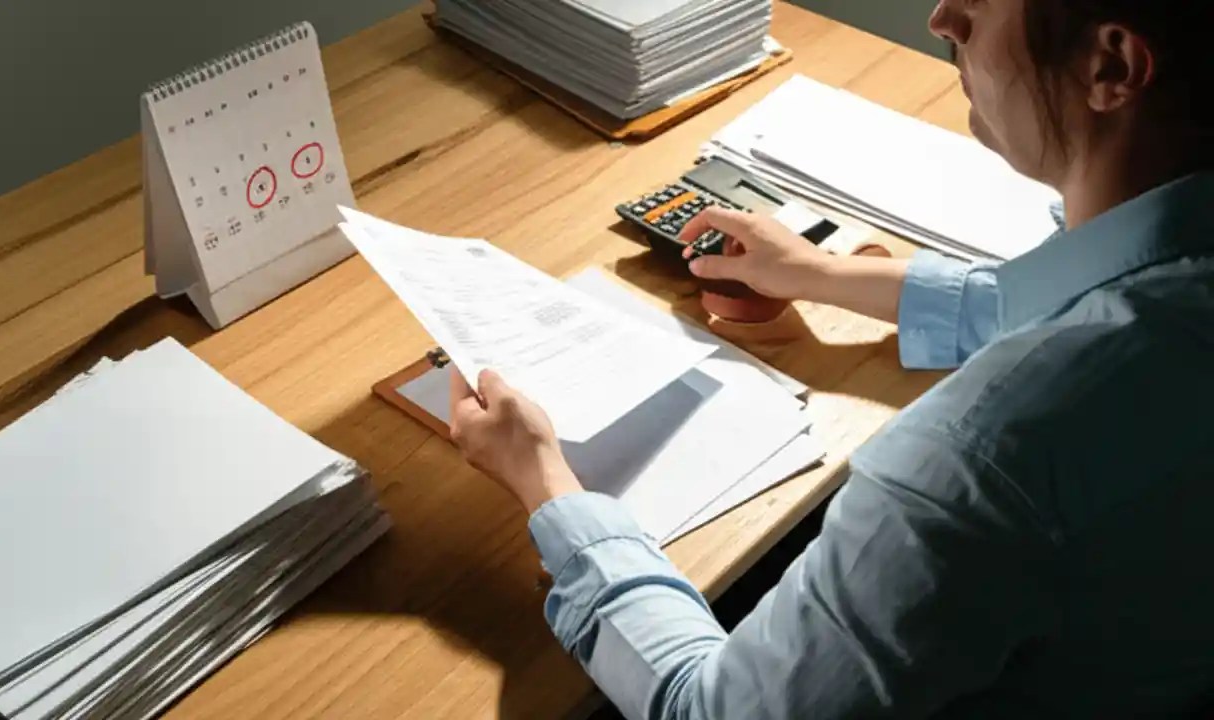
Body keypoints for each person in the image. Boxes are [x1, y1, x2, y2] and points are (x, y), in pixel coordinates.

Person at [448, 0, 1214, 716]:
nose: (942, 17)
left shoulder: (985, 454)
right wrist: (827, 276)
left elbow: (711, 710)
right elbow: (1054, 295)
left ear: (1110, 68)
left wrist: (544, 483)